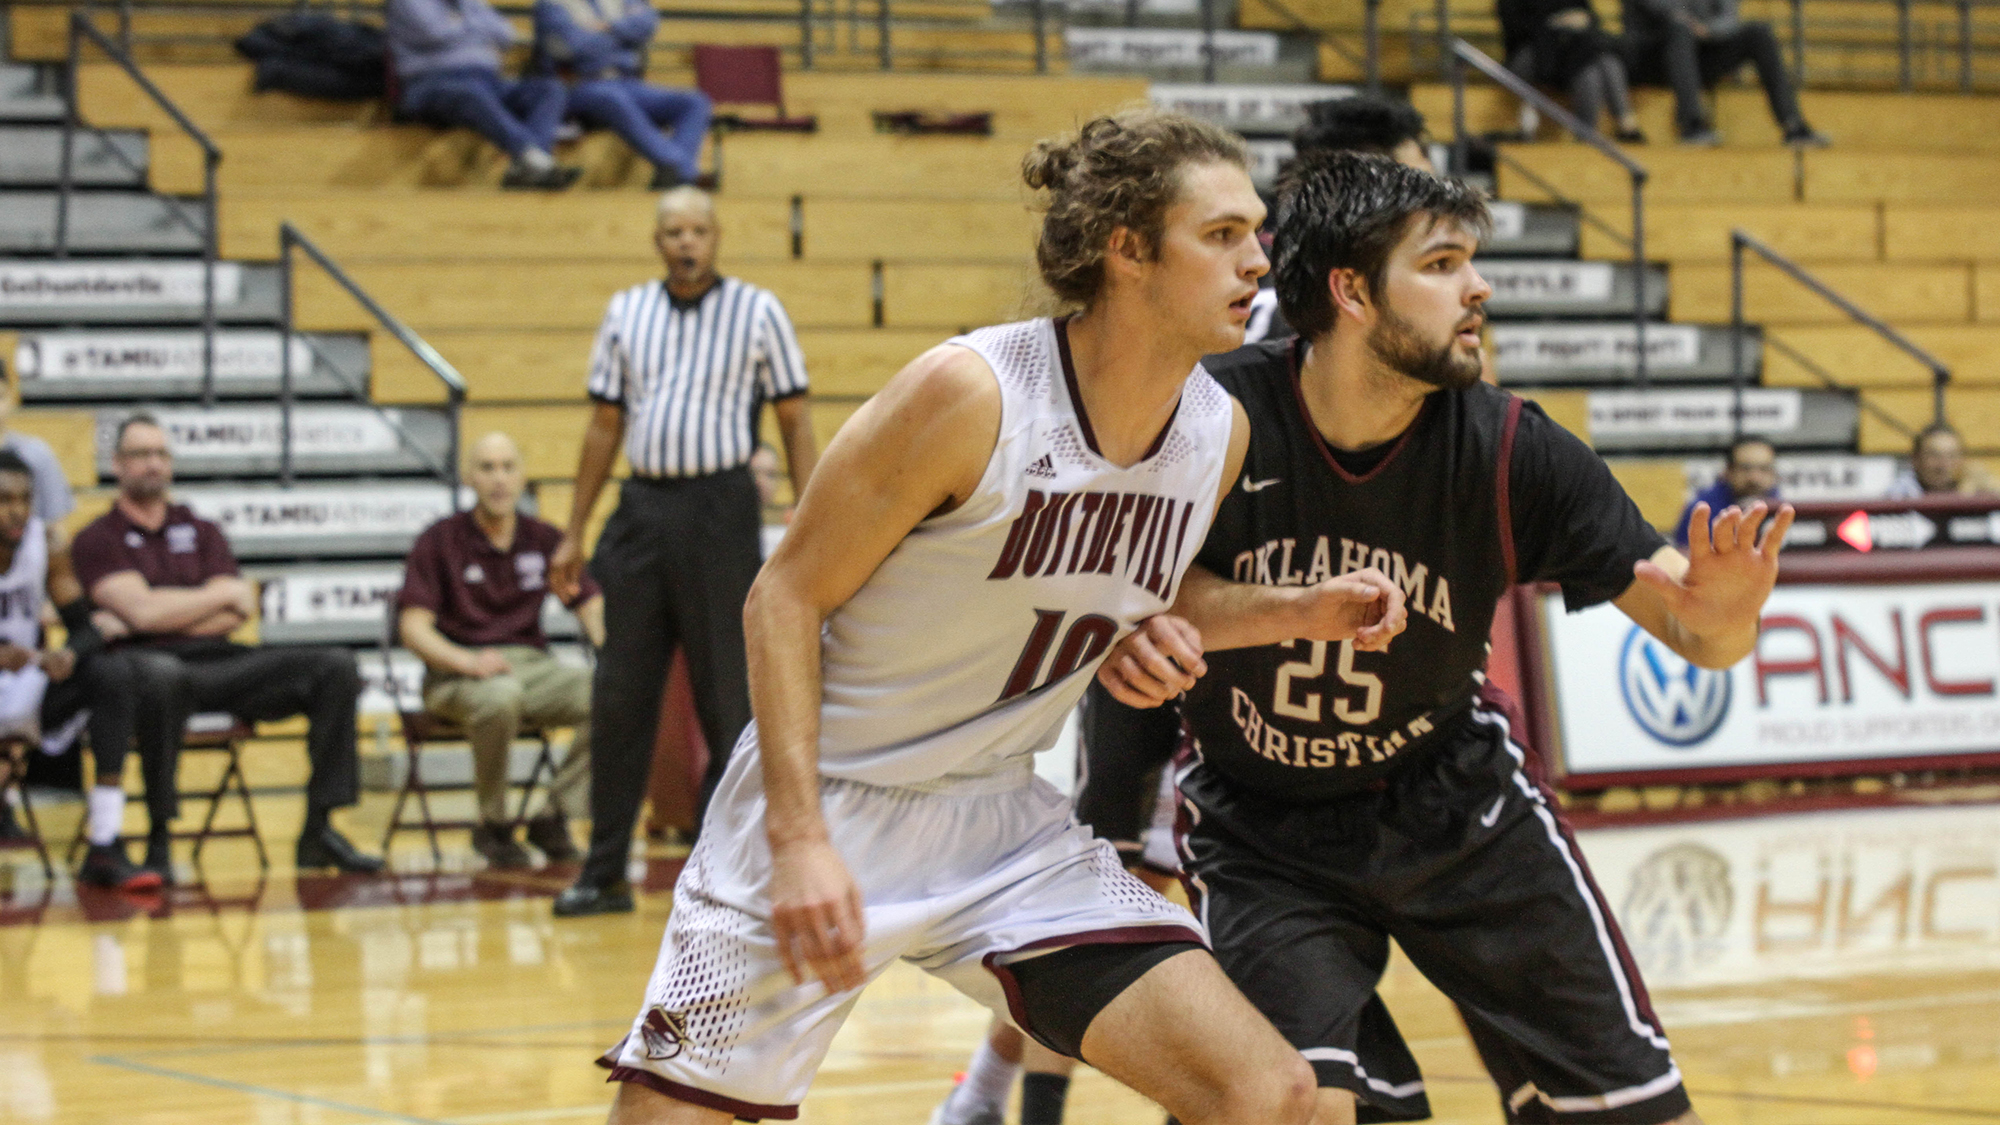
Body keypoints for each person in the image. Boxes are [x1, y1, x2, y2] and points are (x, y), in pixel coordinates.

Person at [593, 109, 1411, 1125]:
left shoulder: (1215, 430)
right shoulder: (969, 394)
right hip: (828, 801)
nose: (1258, 260)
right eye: (1221, 235)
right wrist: (797, 837)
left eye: (1257, 232)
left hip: (998, 822)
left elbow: (1138, 588)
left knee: (1271, 1093)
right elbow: (784, 596)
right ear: (1126, 250)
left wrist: (1292, 612)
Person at [1089, 150, 1796, 1125]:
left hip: (1457, 805)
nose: (1479, 287)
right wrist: (1119, 814)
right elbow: (1124, 596)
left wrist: (1724, 613)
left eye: (1471, 261)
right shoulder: (1209, 417)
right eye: (1441, 264)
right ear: (1351, 292)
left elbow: (1696, 632)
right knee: (1290, 1107)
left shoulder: (1511, 449)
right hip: (1263, 827)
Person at [549, 186, 820, 917]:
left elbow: (794, 417)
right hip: (641, 510)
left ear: (716, 235)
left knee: (727, 700)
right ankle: (604, 871)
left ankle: (724, 877)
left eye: (698, 230)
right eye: (673, 232)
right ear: (658, 241)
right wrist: (574, 529)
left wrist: (808, 510)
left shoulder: (758, 310)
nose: (687, 242)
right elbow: (604, 424)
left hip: (720, 511)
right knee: (619, 697)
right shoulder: (626, 310)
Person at [72, 413, 382, 876]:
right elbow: (145, 613)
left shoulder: (201, 529)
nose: (153, 464)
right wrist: (202, 601)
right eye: (140, 454)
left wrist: (158, 613)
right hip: (147, 670)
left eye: (161, 454)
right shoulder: (98, 538)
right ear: (117, 464)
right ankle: (160, 838)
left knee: (335, 665)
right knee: (162, 676)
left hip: (221, 662)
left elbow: (239, 608)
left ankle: (319, 827)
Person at [398, 432, 606, 868]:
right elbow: (412, 628)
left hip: (530, 667)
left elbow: (588, 601)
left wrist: (613, 653)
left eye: (508, 467)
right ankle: (492, 823)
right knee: (500, 697)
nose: (499, 479)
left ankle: (554, 815)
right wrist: (467, 661)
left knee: (612, 691)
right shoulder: (440, 541)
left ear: (522, 477)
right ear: (469, 477)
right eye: (487, 468)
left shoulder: (543, 539)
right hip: (456, 672)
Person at [0, 450, 152, 889]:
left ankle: (104, 841)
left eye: (25, 499)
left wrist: (67, 653)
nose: (17, 510)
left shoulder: (46, 544)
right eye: (4, 499)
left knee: (112, 674)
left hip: (23, 689)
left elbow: (84, 629)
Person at [385, 0, 582, 189]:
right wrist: (480, 29)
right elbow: (435, 32)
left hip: (488, 81)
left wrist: (463, 25)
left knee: (548, 89)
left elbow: (505, 33)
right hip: (432, 82)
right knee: (471, 93)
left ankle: (529, 167)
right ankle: (533, 157)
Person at [533, 0, 712, 190]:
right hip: (575, 86)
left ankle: (675, 176)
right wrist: (622, 37)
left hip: (625, 81)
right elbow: (572, 48)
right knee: (611, 97)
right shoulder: (551, 5)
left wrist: (608, 28)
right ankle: (680, 169)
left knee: (693, 102)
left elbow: (647, 22)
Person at [1623, 0, 1828, 146]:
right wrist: (1687, 22)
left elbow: (1730, 18)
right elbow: (1659, 7)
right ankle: (1691, 125)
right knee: (1679, 30)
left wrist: (1708, 30)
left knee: (1759, 33)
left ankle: (1793, 125)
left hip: (1700, 50)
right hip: (1651, 57)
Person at [1497, 0, 1646, 141]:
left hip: (1574, 49)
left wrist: (1582, 20)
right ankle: (1613, 125)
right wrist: (1556, 22)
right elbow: (1515, 28)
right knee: (1594, 64)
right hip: (1539, 53)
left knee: (1601, 65)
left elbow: (1590, 17)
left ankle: (1598, 131)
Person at [1673, 433, 1777, 547]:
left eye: (1764, 469)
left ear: (1773, 472)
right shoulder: (1702, 511)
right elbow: (1685, 554)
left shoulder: (1783, 507)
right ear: (1728, 471)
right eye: (1745, 468)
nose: (1754, 478)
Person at [1885, 422, 1996, 498]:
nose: (1944, 465)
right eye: (1934, 456)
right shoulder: (1899, 497)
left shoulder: (1976, 490)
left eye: (1952, 456)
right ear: (1916, 459)